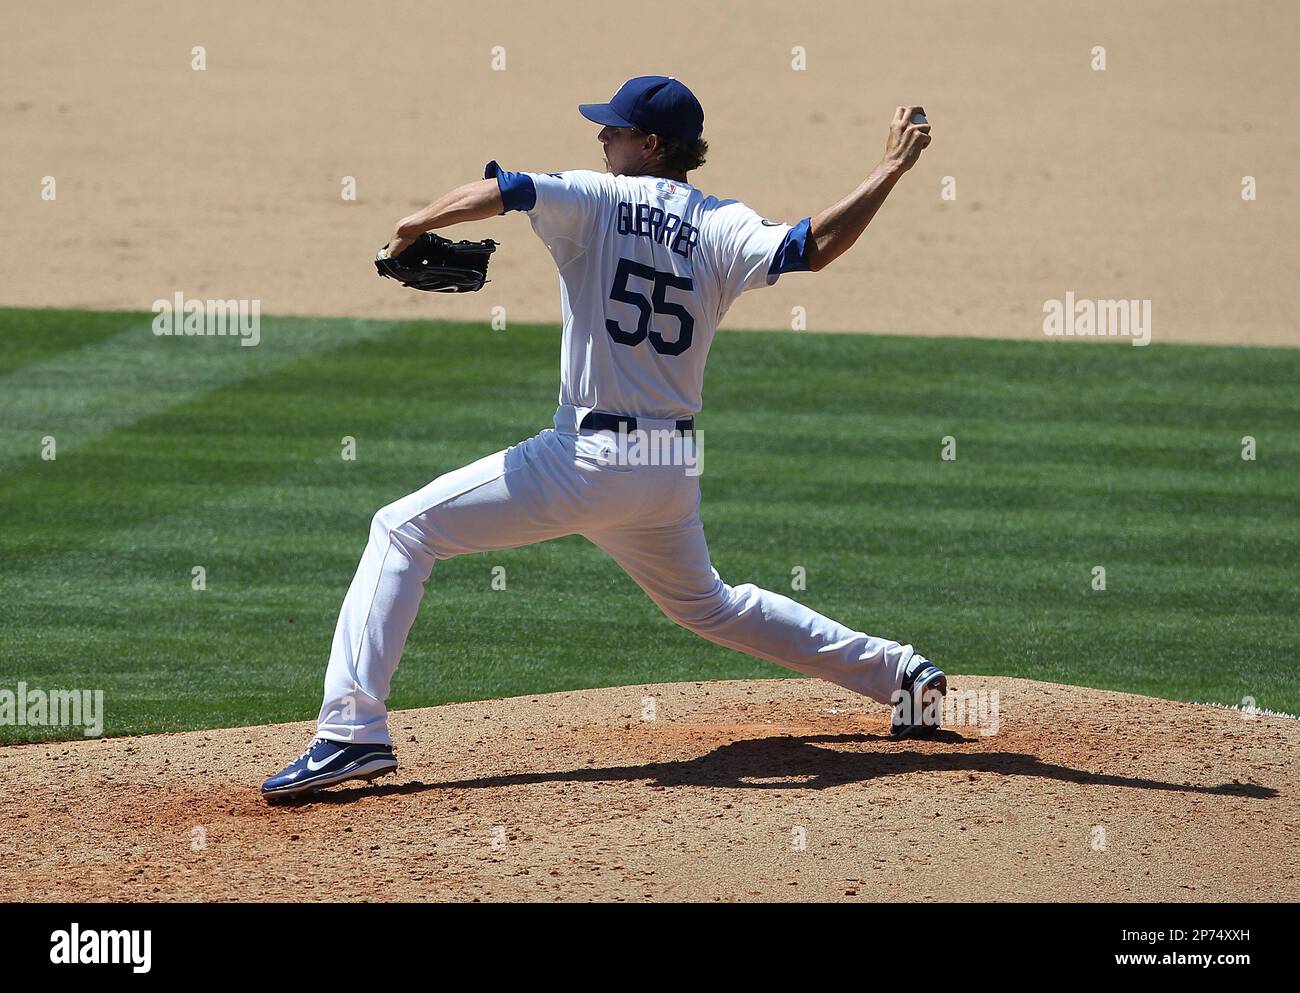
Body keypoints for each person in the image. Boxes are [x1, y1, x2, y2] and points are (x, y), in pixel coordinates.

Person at [261, 76, 939, 800]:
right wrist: (889, 169)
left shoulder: (596, 197)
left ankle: (350, 732)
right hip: (667, 465)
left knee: (401, 530)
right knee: (708, 604)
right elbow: (816, 244)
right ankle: (901, 674)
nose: (602, 140)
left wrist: (412, 224)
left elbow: (506, 189)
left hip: (586, 459)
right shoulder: (722, 222)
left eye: (613, 132)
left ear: (651, 145)